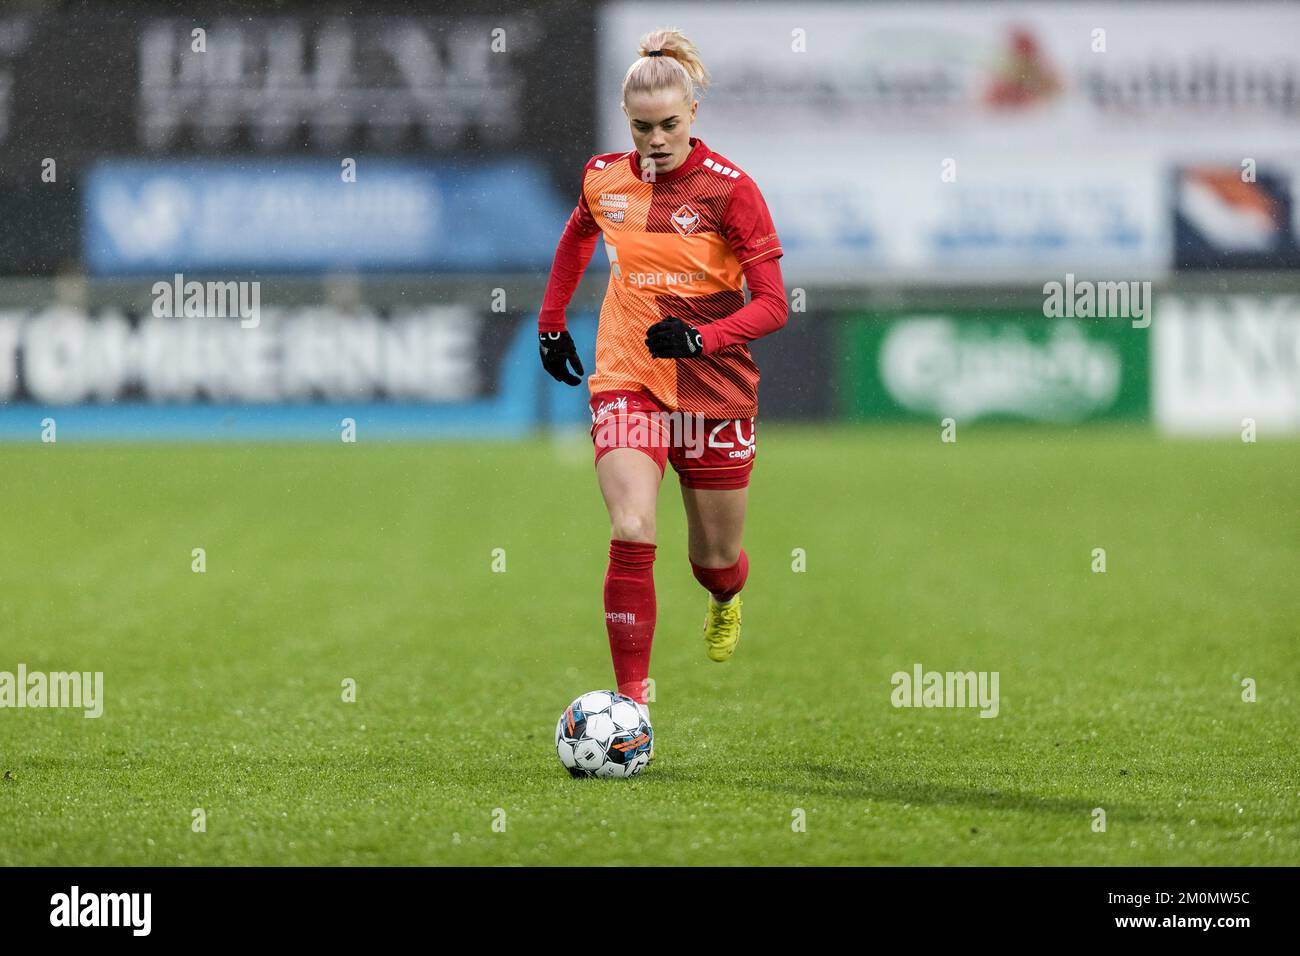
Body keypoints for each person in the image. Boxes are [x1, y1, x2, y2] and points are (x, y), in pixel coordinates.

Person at [537, 27, 788, 754]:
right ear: (628, 124)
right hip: (629, 377)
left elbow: (774, 303)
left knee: (714, 560)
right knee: (631, 527)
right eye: (643, 127)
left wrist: (703, 337)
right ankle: (632, 703)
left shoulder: (731, 192)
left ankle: (726, 598)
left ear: (694, 114)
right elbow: (576, 238)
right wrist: (552, 324)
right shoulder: (604, 177)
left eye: (670, 125)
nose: (656, 140)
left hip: (714, 389)